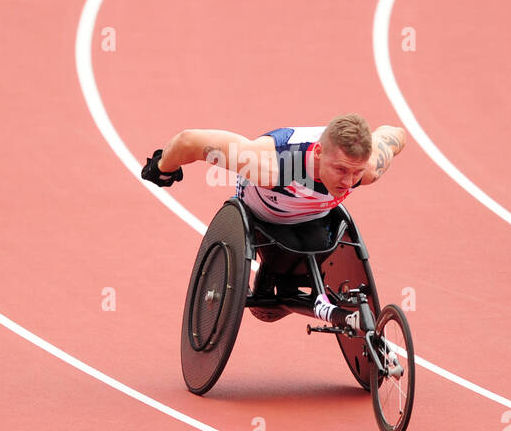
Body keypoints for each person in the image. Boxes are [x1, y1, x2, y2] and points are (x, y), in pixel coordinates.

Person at [141, 114, 406, 325]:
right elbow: (191, 141)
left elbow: (396, 136)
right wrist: (163, 167)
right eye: (340, 170)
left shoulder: (368, 169)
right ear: (317, 154)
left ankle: (287, 278)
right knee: (287, 248)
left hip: (314, 219)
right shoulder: (270, 164)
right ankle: (271, 269)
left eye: (355, 173)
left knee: (319, 241)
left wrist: (388, 138)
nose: (349, 182)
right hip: (263, 217)